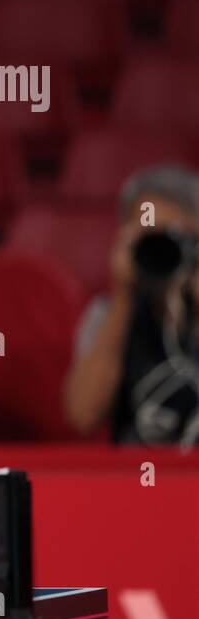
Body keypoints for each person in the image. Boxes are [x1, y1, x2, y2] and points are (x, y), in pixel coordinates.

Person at [65, 165, 199, 444]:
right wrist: (123, 296)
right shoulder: (108, 313)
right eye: (153, 240)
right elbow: (83, 416)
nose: (166, 254)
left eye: (180, 240)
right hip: (137, 478)